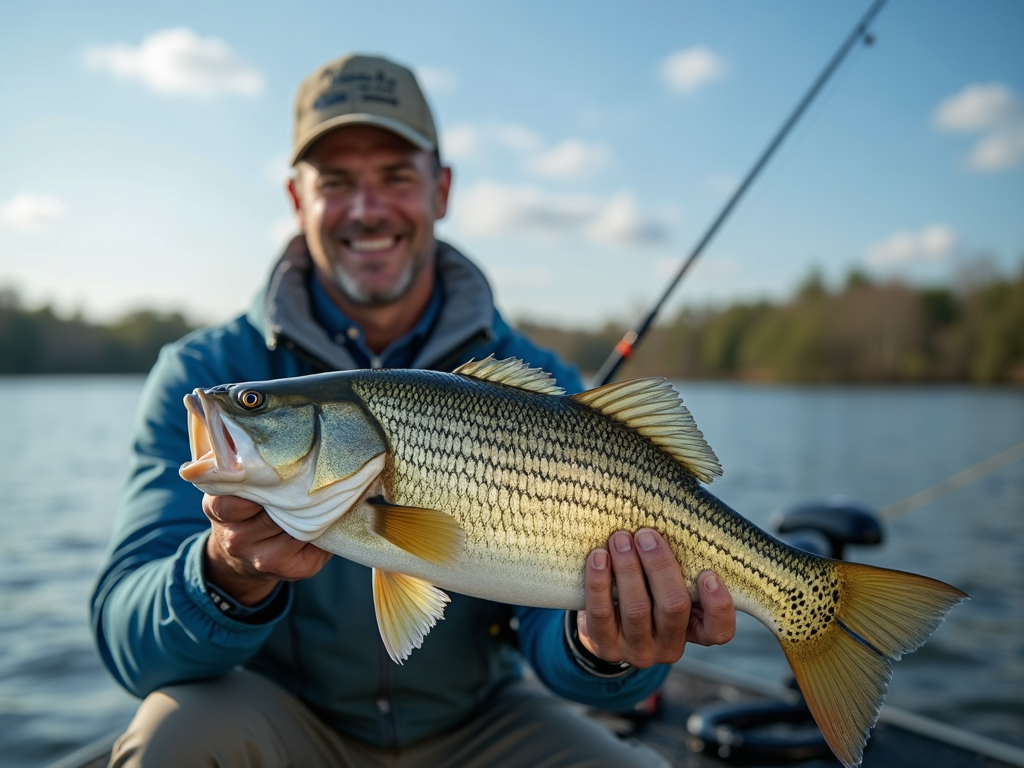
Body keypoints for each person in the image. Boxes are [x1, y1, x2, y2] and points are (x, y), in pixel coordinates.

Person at [91, 53, 737, 768]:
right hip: (285, 721)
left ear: (442, 189)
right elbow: (129, 644)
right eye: (336, 182)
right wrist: (225, 573)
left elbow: (562, 653)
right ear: (296, 198)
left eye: (395, 176)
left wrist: (604, 649)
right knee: (168, 736)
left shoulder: (543, 379)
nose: (367, 209)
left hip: (479, 724)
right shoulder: (203, 372)